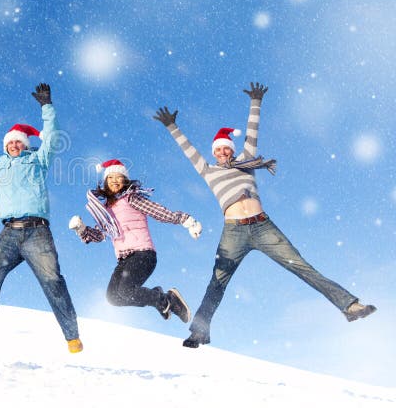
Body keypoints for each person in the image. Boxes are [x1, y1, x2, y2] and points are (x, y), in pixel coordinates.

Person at [153, 82, 377, 348]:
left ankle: (349, 306)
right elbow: (189, 151)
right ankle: (199, 332)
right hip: (234, 231)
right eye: (218, 149)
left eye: (227, 148)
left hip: (263, 226)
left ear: (232, 150)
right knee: (218, 281)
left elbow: (252, 134)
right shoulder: (209, 171)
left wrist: (255, 103)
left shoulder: (246, 164)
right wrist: (172, 127)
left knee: (301, 266)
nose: (223, 152)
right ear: (214, 153)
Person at [0, 83, 83, 353]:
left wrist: (46, 106)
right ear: (6, 145)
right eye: (10, 142)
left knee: (53, 281)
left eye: (18, 141)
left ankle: (72, 337)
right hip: (9, 232)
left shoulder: (38, 159)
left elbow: (51, 137)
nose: (14, 145)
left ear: (25, 144)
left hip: (37, 232)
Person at [68, 159, 201, 323]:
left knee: (125, 290)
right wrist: (82, 230)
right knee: (113, 297)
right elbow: (101, 234)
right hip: (124, 260)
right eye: (110, 178)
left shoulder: (131, 198)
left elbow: (157, 211)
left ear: (125, 180)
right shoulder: (106, 210)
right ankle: (159, 298)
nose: (114, 181)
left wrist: (184, 219)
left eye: (118, 177)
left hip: (143, 254)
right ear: (105, 182)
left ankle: (167, 299)